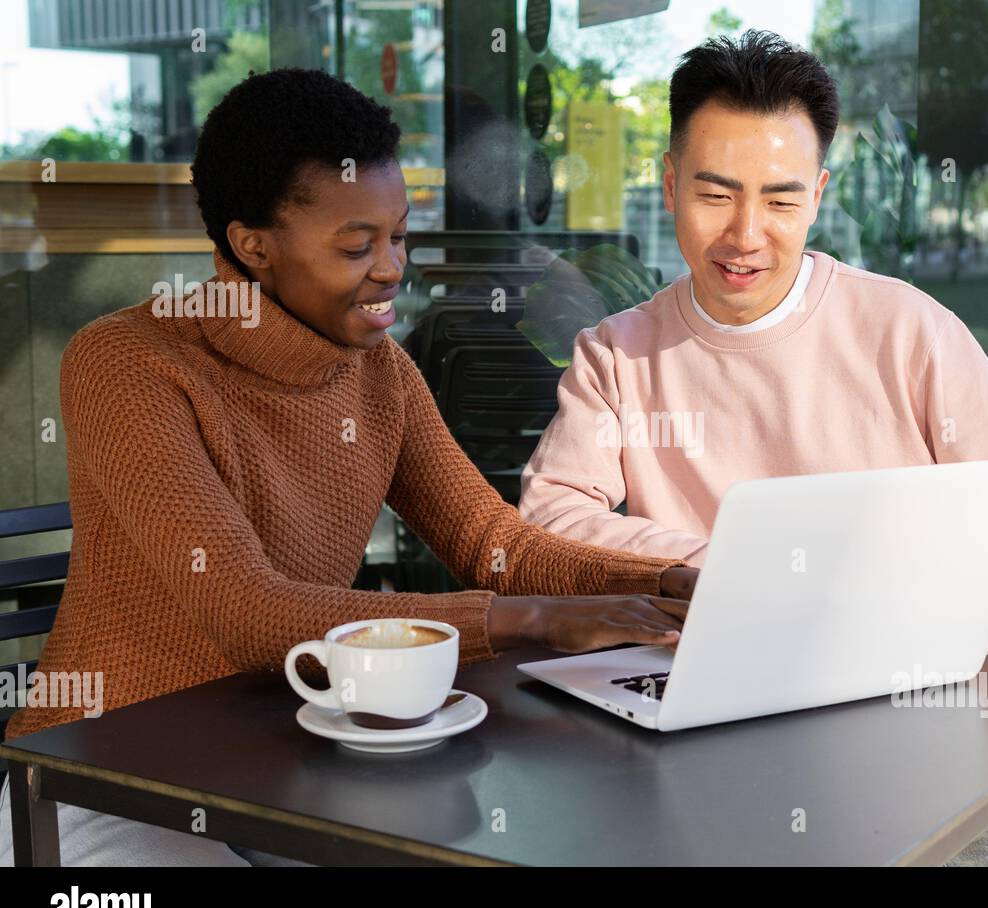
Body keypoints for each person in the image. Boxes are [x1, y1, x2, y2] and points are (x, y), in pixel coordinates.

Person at [0, 68, 697, 867]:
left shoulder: (380, 372)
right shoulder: (127, 364)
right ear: (251, 246)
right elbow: (248, 611)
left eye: (397, 234)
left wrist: (657, 580)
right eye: (356, 245)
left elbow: (485, 538)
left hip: (289, 761)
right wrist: (531, 618)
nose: (393, 267)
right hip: (104, 774)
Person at [518, 31, 988, 866]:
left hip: (922, 704)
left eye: (779, 199)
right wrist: (743, 559)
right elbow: (549, 517)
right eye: (715, 193)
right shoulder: (617, 353)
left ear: (819, 195)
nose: (744, 233)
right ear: (667, 183)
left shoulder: (907, 327)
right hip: (715, 705)